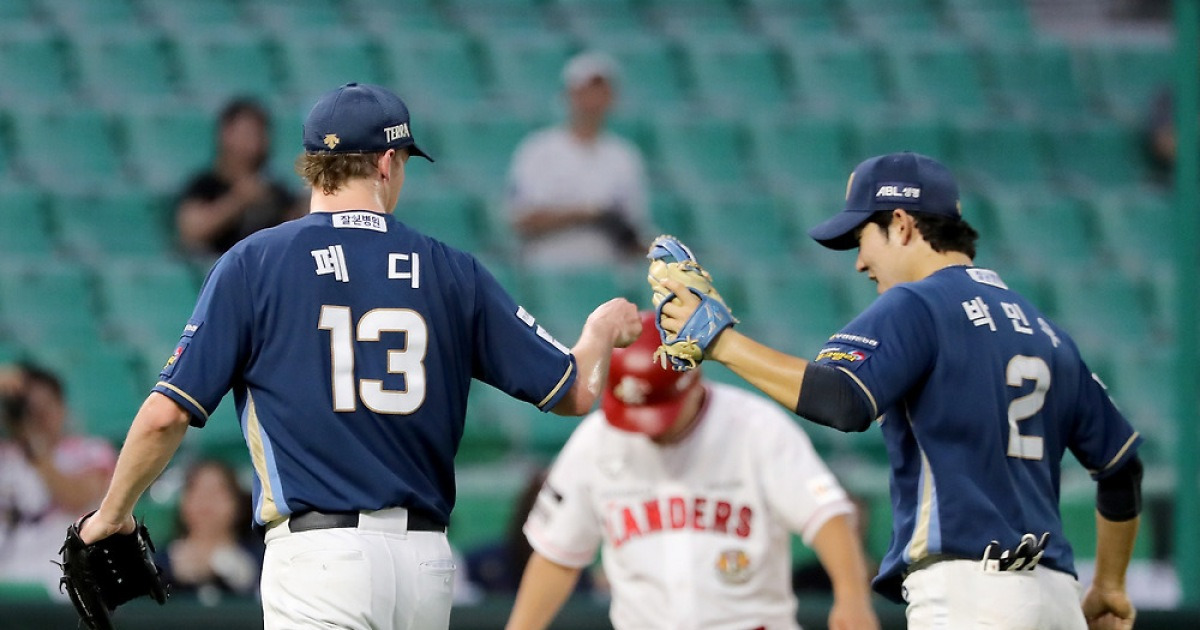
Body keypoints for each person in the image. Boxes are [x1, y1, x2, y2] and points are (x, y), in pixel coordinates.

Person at [77, 82, 642, 630]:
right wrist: (598, 331)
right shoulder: (452, 271)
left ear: (312, 166)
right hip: (424, 564)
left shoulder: (255, 263)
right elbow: (574, 391)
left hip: (320, 558)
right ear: (386, 162)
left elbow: (167, 414)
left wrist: (111, 514)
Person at [655, 152, 1144, 630]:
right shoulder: (1045, 329)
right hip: (1055, 596)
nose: (860, 263)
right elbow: (1122, 469)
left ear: (903, 224)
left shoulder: (918, 302)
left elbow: (842, 400)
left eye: (862, 237)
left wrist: (722, 343)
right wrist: (1110, 584)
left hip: (970, 594)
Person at [505, 312, 880, 630]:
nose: (649, 429)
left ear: (694, 382)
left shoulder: (754, 426)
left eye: (657, 413)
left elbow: (825, 515)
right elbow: (557, 554)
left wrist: (852, 598)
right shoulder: (597, 440)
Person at [506, 51, 651, 268]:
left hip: (606, 275)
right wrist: (587, 214)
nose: (593, 99)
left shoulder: (624, 156)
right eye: (586, 90)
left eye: (600, 90)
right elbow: (522, 219)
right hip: (549, 271)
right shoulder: (539, 150)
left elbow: (633, 227)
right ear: (570, 94)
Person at [0, 363, 115, 596]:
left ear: (61, 407)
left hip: (60, 572)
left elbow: (76, 497)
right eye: (30, 409)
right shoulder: (6, 456)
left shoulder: (92, 452)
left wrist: (36, 448)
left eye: (44, 407)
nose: (37, 417)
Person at [176, 98, 304, 256]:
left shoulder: (273, 191)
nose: (254, 142)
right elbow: (192, 231)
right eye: (246, 133)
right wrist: (238, 200)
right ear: (226, 134)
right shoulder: (205, 185)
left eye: (259, 133)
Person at [156, 459, 263, 604]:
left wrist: (223, 565)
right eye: (196, 491)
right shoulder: (160, 560)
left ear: (237, 503)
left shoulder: (262, 558)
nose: (206, 501)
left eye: (217, 492)